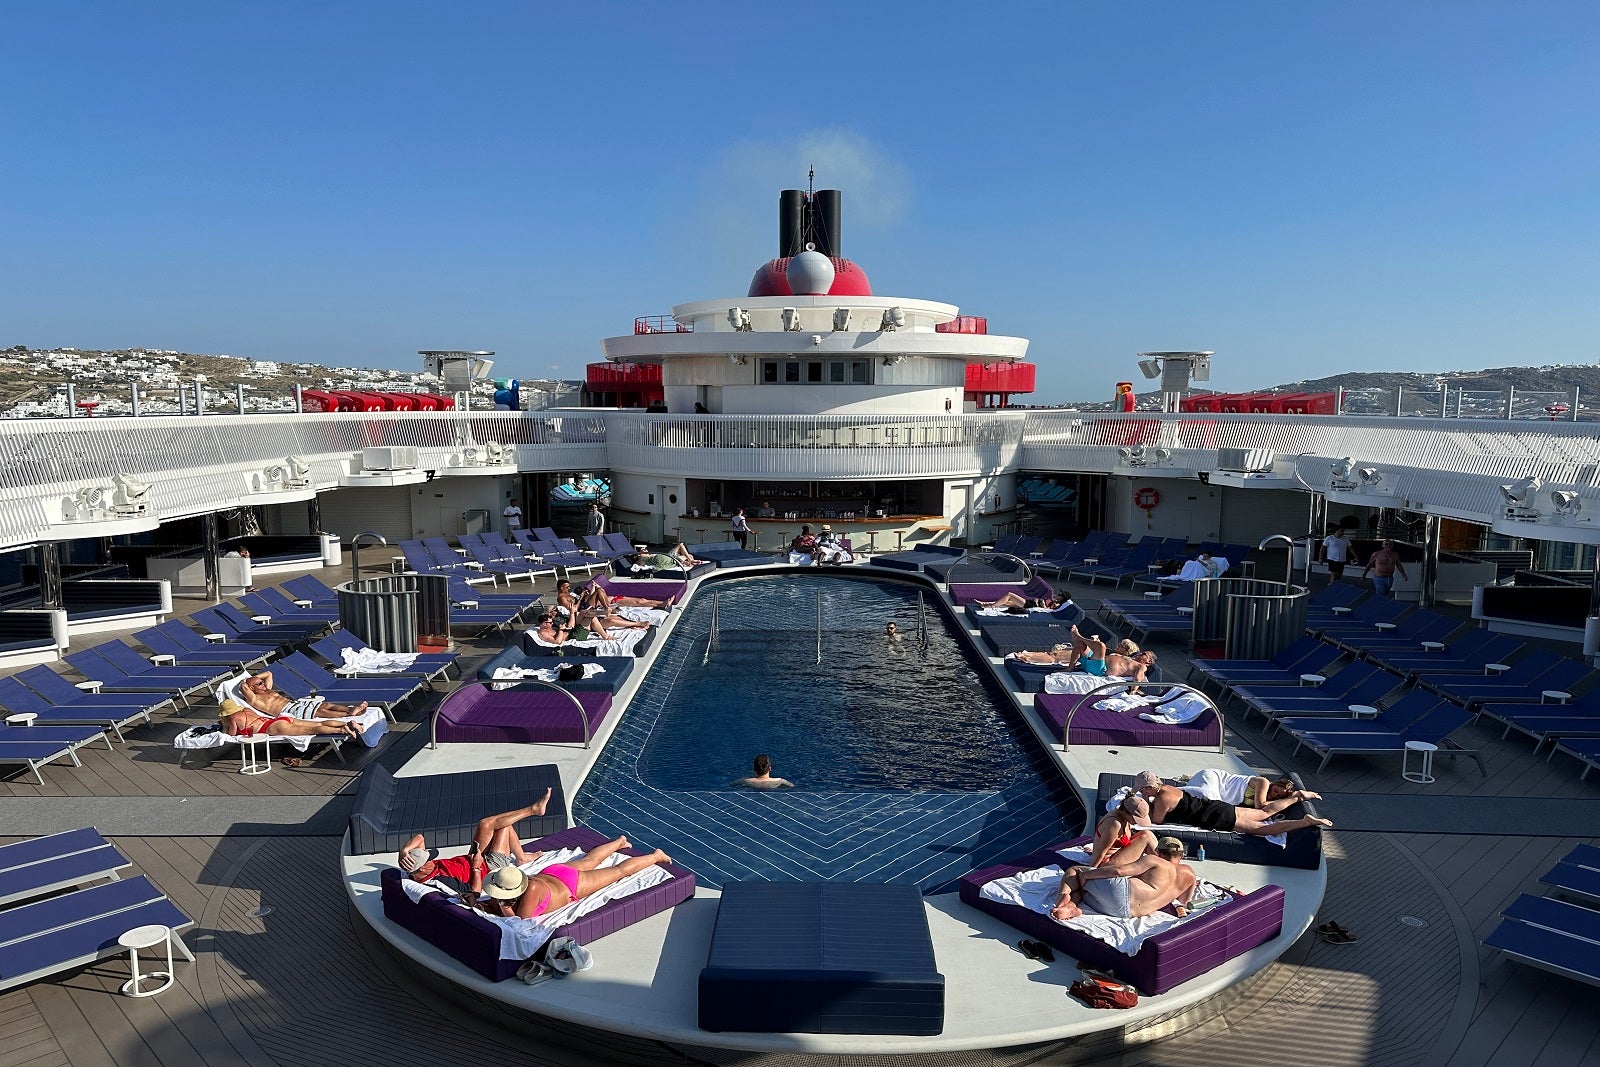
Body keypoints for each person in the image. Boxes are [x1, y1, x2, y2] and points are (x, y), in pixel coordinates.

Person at [477, 836, 672, 920]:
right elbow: (498, 907)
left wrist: (501, 905)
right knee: (590, 860)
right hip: (552, 873)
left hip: (569, 884)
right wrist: (479, 904)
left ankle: (656, 855)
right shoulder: (508, 882)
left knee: (619, 871)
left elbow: (519, 921)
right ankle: (620, 841)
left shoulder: (531, 890)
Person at [399, 790, 553, 891]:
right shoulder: (440, 882)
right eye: (428, 858)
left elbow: (420, 838)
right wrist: (476, 867)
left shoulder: (420, 867)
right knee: (505, 827)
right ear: (422, 869)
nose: (432, 858)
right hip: (487, 867)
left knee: (484, 824)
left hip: (472, 857)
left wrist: (404, 851)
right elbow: (475, 892)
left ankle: (523, 851)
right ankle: (533, 812)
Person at [1133, 770, 1332, 836]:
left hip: (1215, 816)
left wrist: (1144, 803)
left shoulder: (1160, 799)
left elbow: (1156, 822)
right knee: (1263, 814)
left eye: (1143, 790)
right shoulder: (1169, 788)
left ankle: (1305, 822)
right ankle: (1298, 797)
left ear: (1149, 789)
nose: (1142, 793)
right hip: (1219, 806)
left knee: (1263, 830)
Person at [1051, 836, 1196, 921]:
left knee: (1074, 871)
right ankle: (1072, 907)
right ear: (1182, 856)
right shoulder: (1190, 875)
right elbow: (1183, 901)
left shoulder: (1155, 860)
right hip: (1126, 913)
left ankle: (1062, 897)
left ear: (1158, 852)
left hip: (1122, 892)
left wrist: (1086, 874)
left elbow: (1119, 871)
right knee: (1083, 893)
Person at [217, 696, 368, 741]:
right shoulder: (246, 709)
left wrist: (224, 726)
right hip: (279, 719)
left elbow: (232, 734)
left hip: (272, 728)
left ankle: (343, 729)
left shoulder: (232, 717)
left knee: (312, 730)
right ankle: (349, 723)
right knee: (318, 723)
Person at [1176, 770, 1319, 811]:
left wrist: (1293, 797)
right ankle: (1165, 791)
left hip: (1218, 791)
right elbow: (1260, 806)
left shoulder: (1270, 799)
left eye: (1278, 796)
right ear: (1274, 784)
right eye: (1276, 790)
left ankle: (1172, 796)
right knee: (1206, 797)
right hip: (1215, 779)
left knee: (1205, 802)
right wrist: (1294, 797)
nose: (1274, 794)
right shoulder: (1263, 782)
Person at [1087, 793, 1158, 868]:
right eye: (1135, 819)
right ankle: (1164, 866)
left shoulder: (1120, 815)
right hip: (1107, 862)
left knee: (1147, 833)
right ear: (1125, 812)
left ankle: (1163, 861)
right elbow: (1101, 852)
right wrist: (1091, 870)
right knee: (1146, 839)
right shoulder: (1114, 824)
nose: (1136, 822)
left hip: (1117, 854)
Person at [977, 591, 1068, 613]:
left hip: (1029, 605)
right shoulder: (1054, 600)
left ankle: (991, 606)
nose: (1058, 594)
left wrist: (1042, 603)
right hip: (1031, 602)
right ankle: (985, 604)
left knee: (1009, 594)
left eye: (1060, 594)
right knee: (1005, 602)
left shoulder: (1057, 604)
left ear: (1062, 598)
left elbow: (1047, 610)